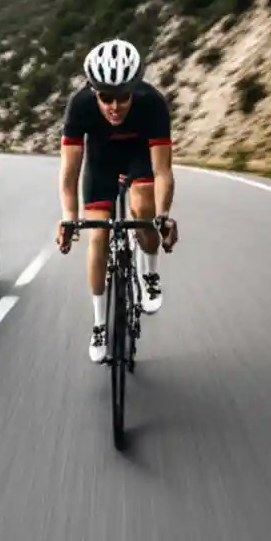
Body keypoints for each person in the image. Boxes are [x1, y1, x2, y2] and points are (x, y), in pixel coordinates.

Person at [55, 39, 179, 363]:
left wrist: (163, 216)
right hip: (101, 161)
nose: (114, 106)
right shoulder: (80, 106)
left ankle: (149, 272)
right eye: (105, 98)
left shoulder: (152, 104)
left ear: (134, 90)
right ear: (93, 91)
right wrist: (69, 218)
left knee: (144, 206)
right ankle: (99, 323)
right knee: (98, 234)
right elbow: (69, 174)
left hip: (139, 155)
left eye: (122, 97)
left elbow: (163, 171)